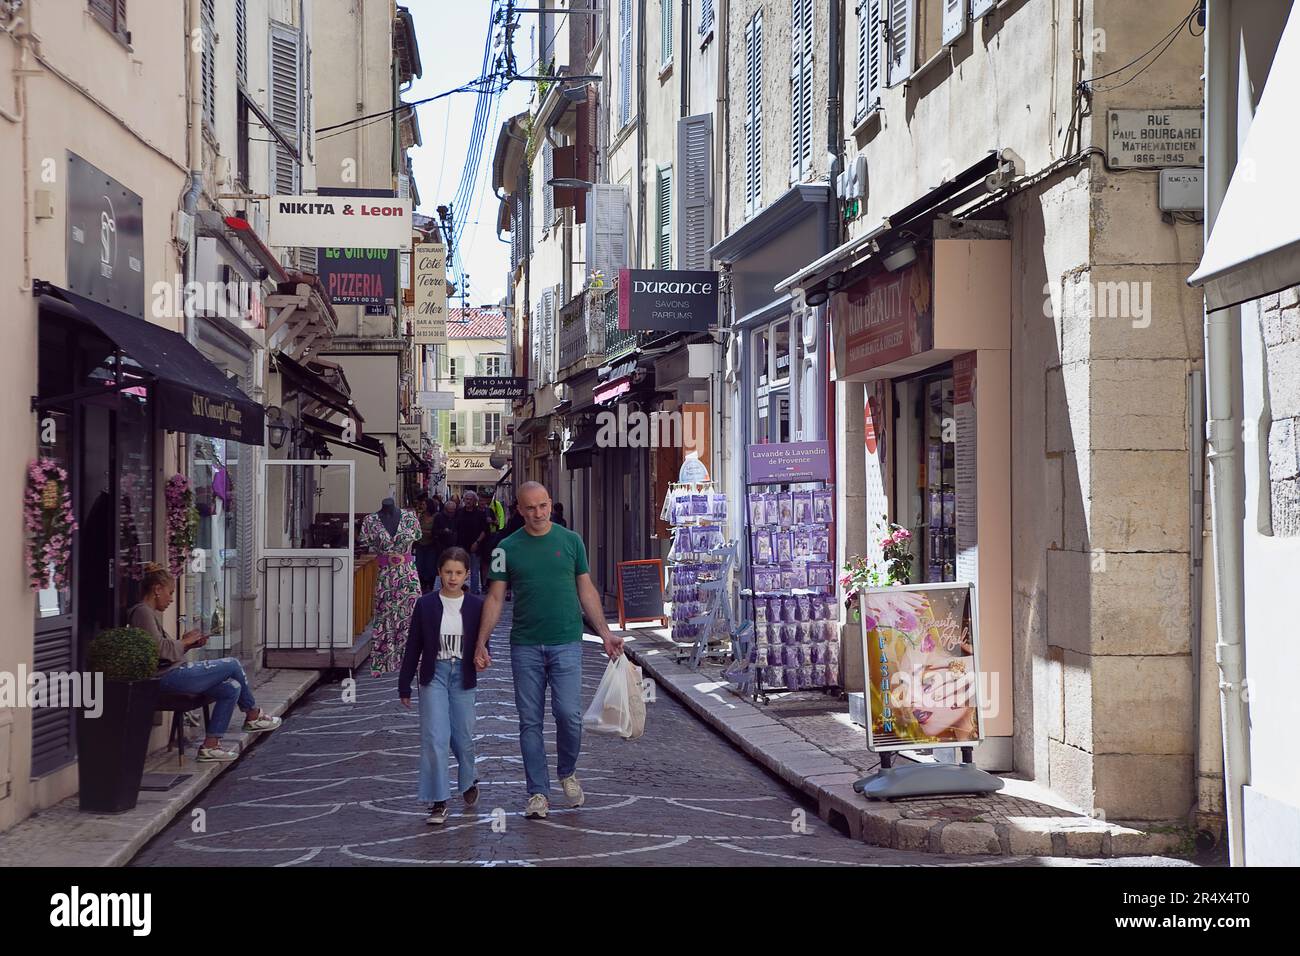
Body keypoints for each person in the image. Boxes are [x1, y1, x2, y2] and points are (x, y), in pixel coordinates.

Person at [474, 481, 623, 819]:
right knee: (529, 722)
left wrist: (605, 633)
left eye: (543, 506)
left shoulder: (571, 541)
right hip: (525, 644)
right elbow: (496, 597)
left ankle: (567, 772)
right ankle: (537, 792)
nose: (538, 513)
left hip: (566, 641)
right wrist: (481, 641)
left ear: (551, 504)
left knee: (569, 715)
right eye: (530, 508)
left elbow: (586, 590)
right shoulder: (505, 547)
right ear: (519, 509)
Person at [128, 564, 281, 762]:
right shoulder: (142, 612)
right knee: (233, 664)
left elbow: (161, 650)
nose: (171, 599)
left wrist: (187, 645)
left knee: (230, 688)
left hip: (172, 674)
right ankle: (253, 715)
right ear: (157, 589)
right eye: (170, 592)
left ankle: (211, 746)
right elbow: (158, 649)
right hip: (167, 678)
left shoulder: (148, 613)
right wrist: (184, 642)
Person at [399, 547, 484, 825]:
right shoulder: (425, 604)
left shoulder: (475, 605)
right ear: (439, 572)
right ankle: (438, 801)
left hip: (463, 674)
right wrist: (404, 683)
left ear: (466, 574)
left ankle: (468, 778)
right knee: (435, 737)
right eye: (447, 572)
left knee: (463, 737)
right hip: (433, 673)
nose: (452, 577)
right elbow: (414, 646)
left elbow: (483, 643)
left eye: (458, 573)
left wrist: (483, 656)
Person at [359, 497, 422, 676]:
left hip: (407, 574)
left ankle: (413, 658)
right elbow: (365, 542)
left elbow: (417, 537)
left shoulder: (410, 518)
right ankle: (385, 660)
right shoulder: (370, 521)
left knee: (411, 614)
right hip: (385, 574)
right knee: (385, 613)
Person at [453, 491, 490, 594]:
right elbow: (455, 528)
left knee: (475, 569)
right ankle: (459, 589)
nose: (468, 501)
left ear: (475, 501)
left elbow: (485, 530)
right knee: (460, 568)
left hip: (475, 545)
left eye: (470, 499)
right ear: (464, 500)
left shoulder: (480, 514)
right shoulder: (459, 512)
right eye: (466, 499)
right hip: (461, 545)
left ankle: (474, 591)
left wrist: (477, 542)